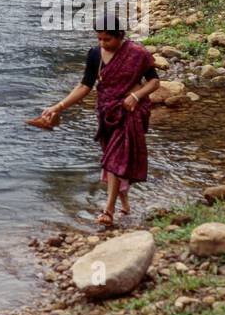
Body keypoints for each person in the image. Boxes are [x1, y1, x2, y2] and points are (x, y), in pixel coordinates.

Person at [39, 22, 160, 227]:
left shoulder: (137, 53)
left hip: (130, 112)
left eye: (107, 39)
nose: (102, 43)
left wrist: (137, 96)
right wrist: (58, 107)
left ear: (120, 35)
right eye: (99, 39)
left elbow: (154, 82)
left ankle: (108, 210)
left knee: (114, 158)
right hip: (107, 112)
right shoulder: (95, 54)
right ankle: (125, 203)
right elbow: (85, 86)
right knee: (114, 159)